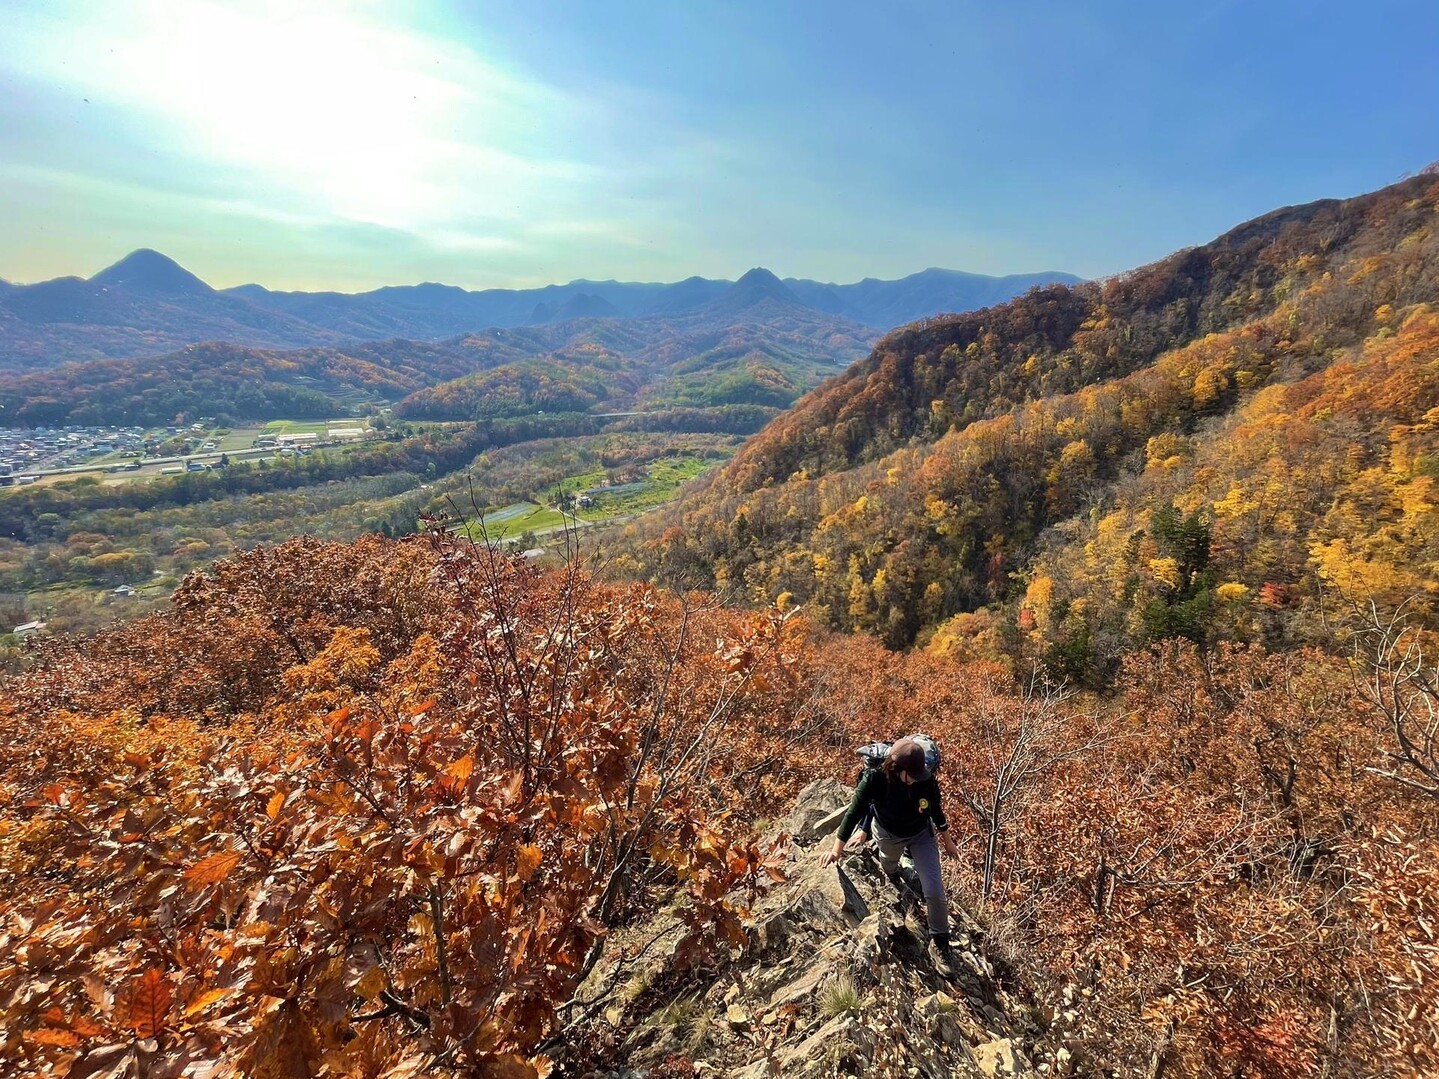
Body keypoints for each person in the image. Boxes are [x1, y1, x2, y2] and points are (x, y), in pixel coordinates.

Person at [821, 737, 961, 974]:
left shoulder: (924, 779)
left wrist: (948, 841)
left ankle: (939, 942)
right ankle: (895, 871)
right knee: (889, 867)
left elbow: (936, 809)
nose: (919, 777)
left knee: (934, 889)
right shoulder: (875, 778)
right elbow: (856, 811)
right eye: (913, 774)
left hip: (920, 835)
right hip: (888, 834)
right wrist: (837, 849)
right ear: (898, 769)